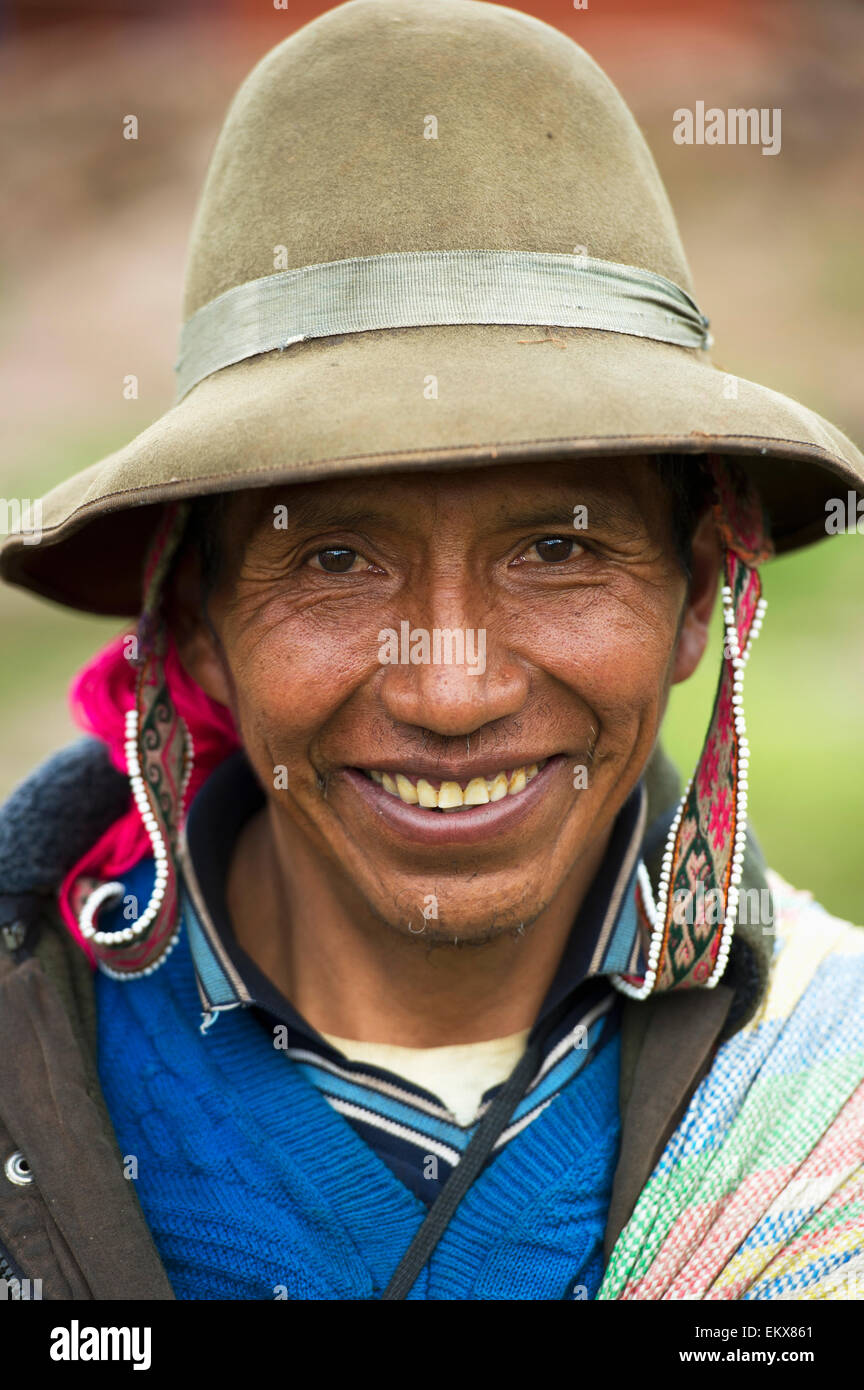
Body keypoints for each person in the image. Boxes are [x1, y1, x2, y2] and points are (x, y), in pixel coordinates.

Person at [1, 0, 862, 1302]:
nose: (453, 687)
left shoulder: (828, 1094)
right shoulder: (35, 1063)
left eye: (559, 550)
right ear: (194, 631)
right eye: (336, 559)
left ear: (698, 596)